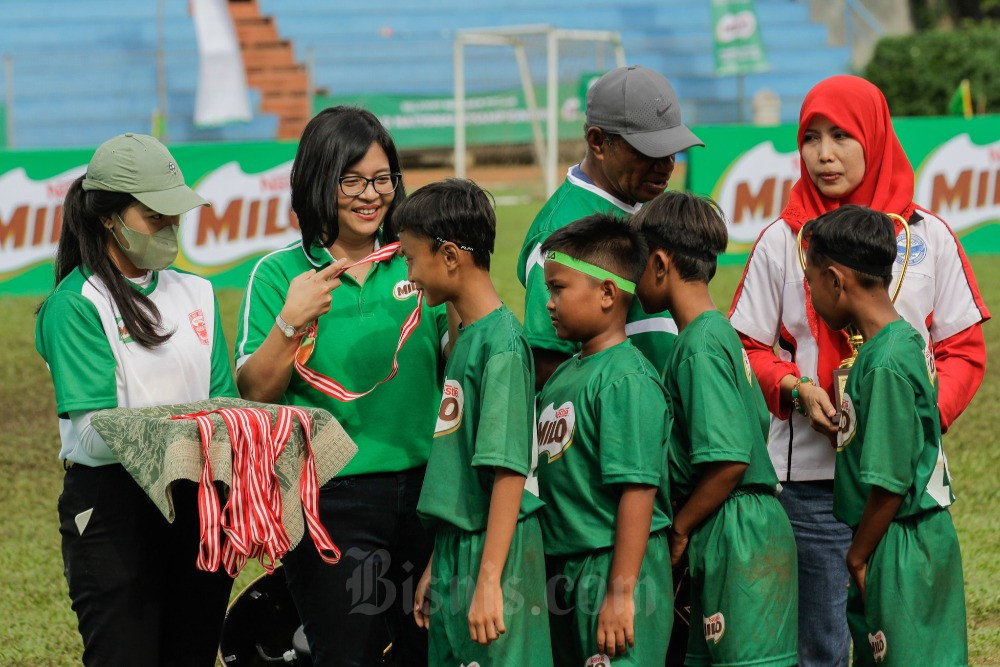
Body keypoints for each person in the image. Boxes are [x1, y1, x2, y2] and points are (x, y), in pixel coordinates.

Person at [728, 74, 989, 666]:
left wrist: (910, 423)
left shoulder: (929, 237)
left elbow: (963, 350)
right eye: (810, 137)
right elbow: (747, 346)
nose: (823, 154)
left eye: (841, 136)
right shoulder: (779, 240)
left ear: (874, 135)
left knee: (899, 646)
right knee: (816, 645)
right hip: (811, 485)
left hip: (898, 488)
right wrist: (795, 390)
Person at [235, 107, 447, 666]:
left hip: (430, 495)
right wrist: (290, 323)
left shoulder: (420, 261)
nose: (369, 194)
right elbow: (255, 396)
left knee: (431, 653)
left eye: (382, 179)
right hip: (331, 501)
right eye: (350, 180)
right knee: (347, 655)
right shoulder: (279, 275)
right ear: (316, 181)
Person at [35, 133, 237, 665]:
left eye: (176, 216)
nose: (171, 229)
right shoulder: (77, 305)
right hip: (113, 513)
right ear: (109, 218)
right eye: (156, 217)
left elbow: (226, 404)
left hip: (200, 508)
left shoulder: (199, 294)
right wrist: (192, 429)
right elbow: (94, 436)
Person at [630, 191, 797, 667]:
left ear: (660, 263)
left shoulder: (699, 345)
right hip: (739, 526)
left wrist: (680, 530)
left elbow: (728, 460)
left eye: (637, 263)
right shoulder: (717, 331)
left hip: (737, 532)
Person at [802, 205, 968, 666]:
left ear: (836, 281)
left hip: (899, 542)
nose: (810, 294)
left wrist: (856, 557)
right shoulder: (896, 342)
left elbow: (890, 483)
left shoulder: (886, 362)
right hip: (894, 538)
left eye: (811, 282)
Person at [394, 178, 552, 666]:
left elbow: (507, 472)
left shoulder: (501, 347)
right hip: (460, 553)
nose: (409, 272)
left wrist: (488, 582)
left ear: (448, 257)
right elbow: (460, 473)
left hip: (494, 556)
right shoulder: (468, 339)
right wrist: (438, 565)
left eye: (410, 257)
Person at [535, 214, 673, 666]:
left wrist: (619, 593)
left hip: (614, 565)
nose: (548, 302)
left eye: (558, 288)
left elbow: (637, 490)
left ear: (608, 293)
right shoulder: (565, 375)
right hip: (568, 567)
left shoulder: (625, 380)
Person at [517, 65, 704, 389]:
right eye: (650, 151)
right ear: (598, 141)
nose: (666, 165)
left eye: (672, 149)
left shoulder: (656, 204)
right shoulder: (561, 233)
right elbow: (550, 368)